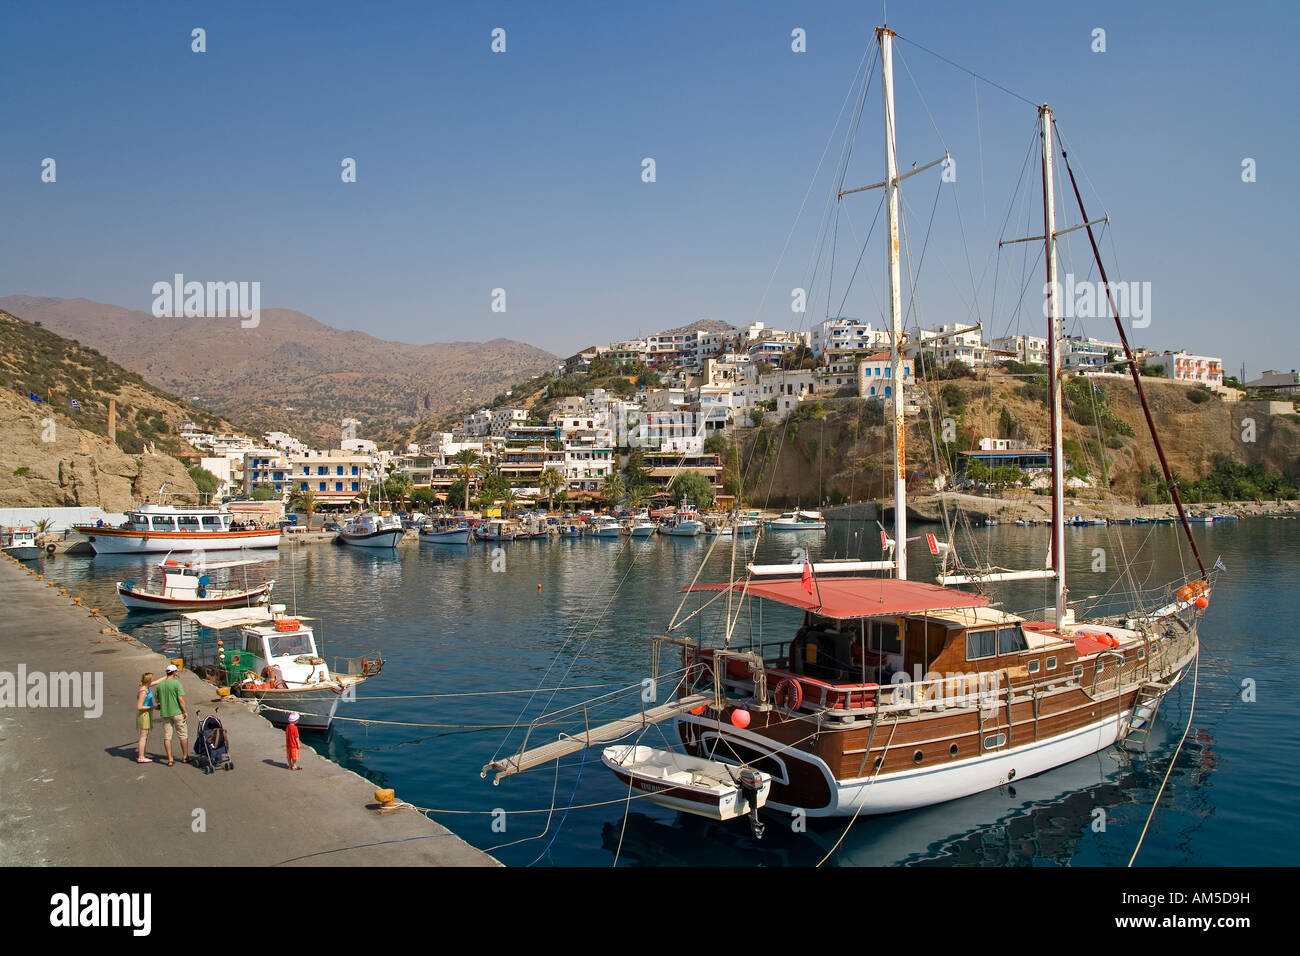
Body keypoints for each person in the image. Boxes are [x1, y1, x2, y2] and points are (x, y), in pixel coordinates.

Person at [151, 664, 188, 766]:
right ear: (175, 672)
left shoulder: (160, 685)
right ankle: (185, 757)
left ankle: (170, 759)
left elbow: (157, 699)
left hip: (165, 713)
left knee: (167, 736)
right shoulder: (177, 683)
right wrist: (185, 711)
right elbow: (180, 699)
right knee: (182, 735)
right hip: (177, 712)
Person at [135, 673, 155, 763]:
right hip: (144, 714)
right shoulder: (144, 691)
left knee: (145, 735)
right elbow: (139, 706)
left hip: (147, 713)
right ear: (148, 681)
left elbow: (156, 682)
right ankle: (141, 757)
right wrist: (152, 707)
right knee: (143, 736)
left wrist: (168, 676)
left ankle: (143, 753)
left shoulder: (147, 686)